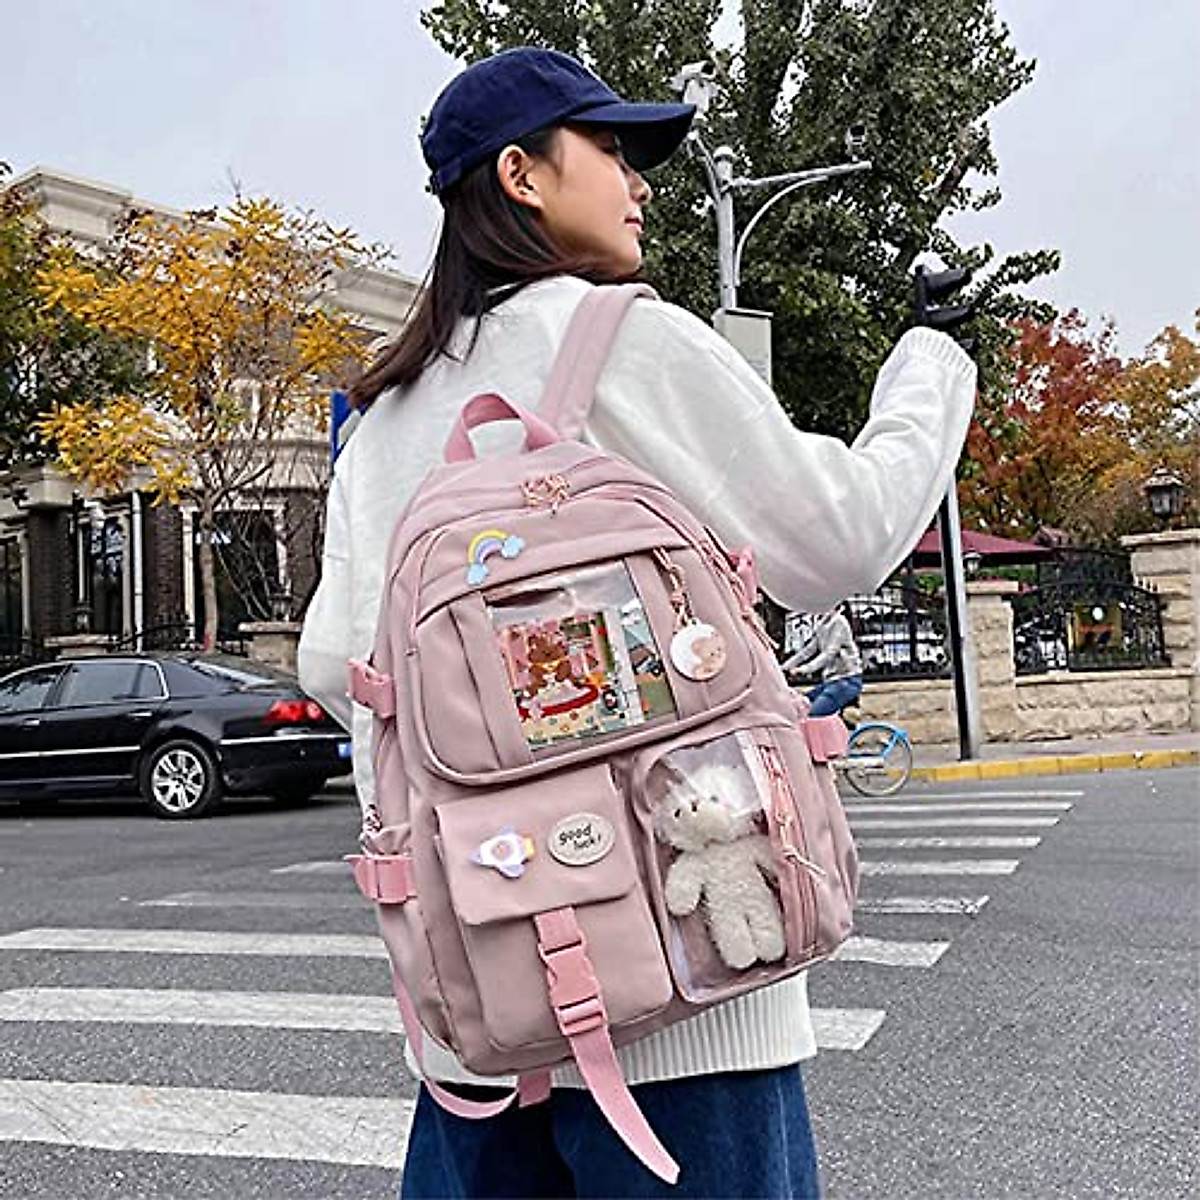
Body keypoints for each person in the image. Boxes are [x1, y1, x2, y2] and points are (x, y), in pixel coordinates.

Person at [299, 45, 976, 1199]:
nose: (640, 182)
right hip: (690, 1006)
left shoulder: (387, 413)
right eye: (611, 149)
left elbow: (334, 666)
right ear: (521, 174)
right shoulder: (622, 338)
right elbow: (840, 539)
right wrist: (933, 362)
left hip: (478, 1021)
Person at [782, 607, 865, 717]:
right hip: (830, 682)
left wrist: (802, 670)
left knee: (812, 715)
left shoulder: (839, 621)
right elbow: (808, 651)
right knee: (801, 706)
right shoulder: (822, 622)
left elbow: (829, 653)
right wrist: (783, 667)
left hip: (846, 681)